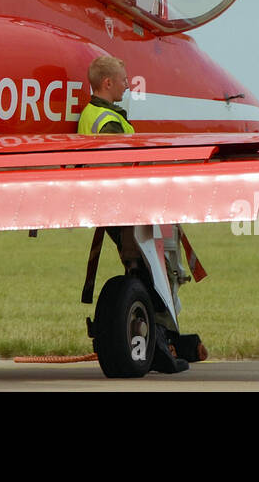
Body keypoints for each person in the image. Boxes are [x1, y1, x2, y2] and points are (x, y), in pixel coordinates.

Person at [76, 55, 192, 372]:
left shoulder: (94, 115)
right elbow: (124, 165)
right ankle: (156, 350)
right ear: (107, 83)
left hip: (110, 203)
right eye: (123, 79)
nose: (128, 84)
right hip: (123, 204)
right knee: (146, 272)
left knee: (141, 271)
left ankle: (155, 345)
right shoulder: (107, 122)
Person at [77, 56, 134, 136]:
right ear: (108, 83)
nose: (127, 86)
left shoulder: (88, 111)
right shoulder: (110, 123)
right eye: (124, 80)